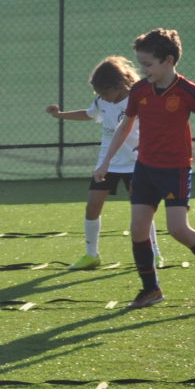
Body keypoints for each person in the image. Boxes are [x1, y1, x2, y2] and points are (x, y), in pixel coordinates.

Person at [95, 28, 195, 308]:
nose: (143, 69)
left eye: (148, 64)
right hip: (144, 169)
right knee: (138, 229)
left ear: (168, 60)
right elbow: (125, 125)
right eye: (141, 63)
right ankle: (151, 289)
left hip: (175, 170)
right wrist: (106, 160)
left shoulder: (188, 91)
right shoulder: (140, 90)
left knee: (179, 229)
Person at [46, 56, 154, 269]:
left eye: (105, 92)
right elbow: (88, 114)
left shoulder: (137, 98)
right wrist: (60, 115)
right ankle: (91, 254)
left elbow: (153, 124)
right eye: (99, 93)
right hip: (107, 164)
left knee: (141, 212)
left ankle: (155, 254)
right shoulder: (101, 102)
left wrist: (148, 145)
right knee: (92, 206)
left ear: (119, 85)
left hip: (135, 163)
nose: (102, 96)